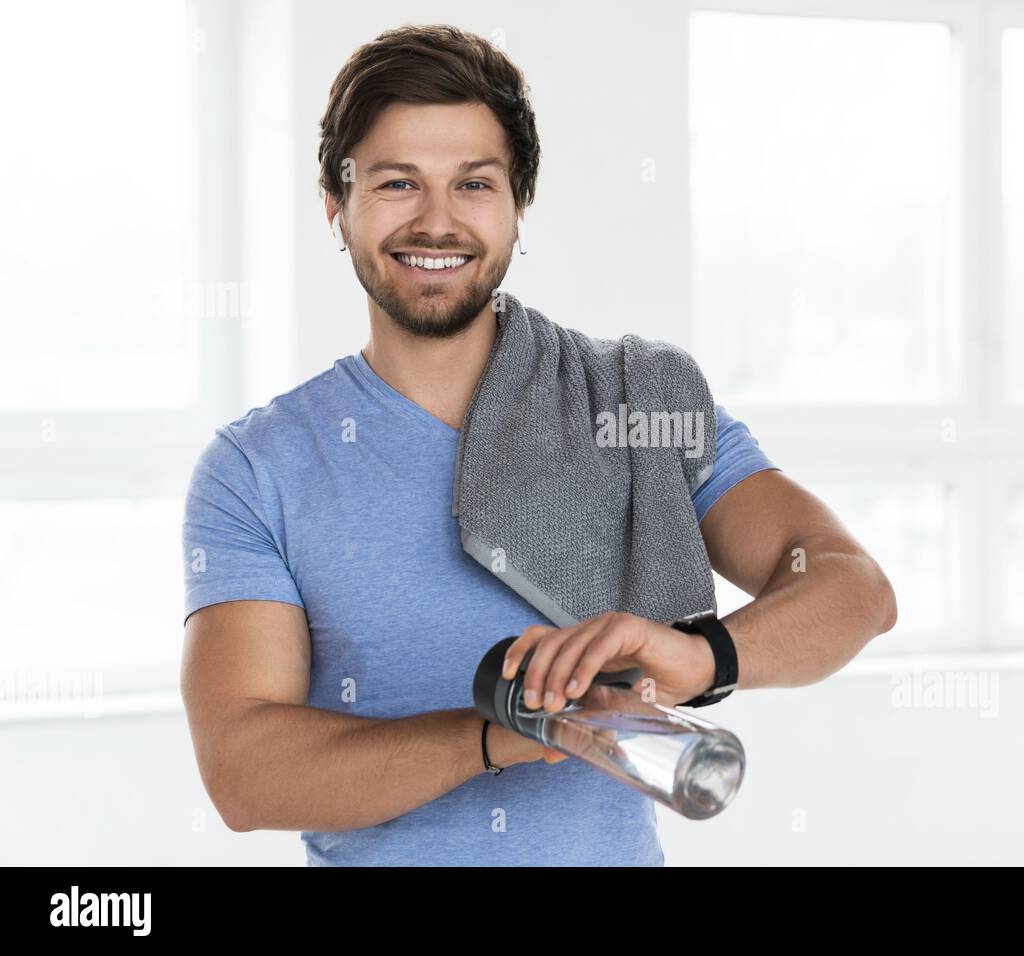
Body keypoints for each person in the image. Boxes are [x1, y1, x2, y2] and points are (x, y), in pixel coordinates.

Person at [180, 23, 897, 866]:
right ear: (338, 206)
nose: (438, 222)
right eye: (398, 183)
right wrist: (500, 734)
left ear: (519, 203)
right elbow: (244, 772)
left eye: (474, 184)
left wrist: (700, 658)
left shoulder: (636, 403)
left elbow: (853, 588)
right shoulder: (258, 469)